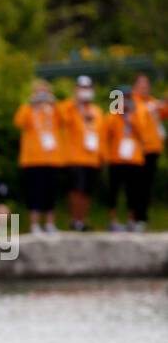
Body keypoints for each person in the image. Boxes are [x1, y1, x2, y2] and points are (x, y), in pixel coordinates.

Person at [13, 81, 64, 233]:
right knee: (34, 192)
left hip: (51, 159)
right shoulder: (27, 110)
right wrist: (32, 105)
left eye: (45, 92)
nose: (42, 96)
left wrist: (54, 103)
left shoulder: (53, 110)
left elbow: (64, 121)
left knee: (51, 192)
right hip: (32, 160)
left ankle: (49, 223)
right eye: (39, 92)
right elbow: (18, 122)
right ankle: (34, 224)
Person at [57, 76, 103, 232]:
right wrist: (76, 102)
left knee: (87, 191)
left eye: (87, 88)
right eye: (82, 88)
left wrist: (102, 155)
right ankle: (74, 220)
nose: (85, 91)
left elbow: (100, 133)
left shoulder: (96, 110)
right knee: (76, 189)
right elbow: (61, 118)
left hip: (92, 158)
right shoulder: (69, 107)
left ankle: (83, 220)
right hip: (75, 158)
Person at [103, 93, 146, 232]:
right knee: (113, 191)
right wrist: (117, 112)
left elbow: (143, 132)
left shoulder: (137, 114)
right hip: (116, 159)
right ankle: (112, 220)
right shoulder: (113, 115)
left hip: (134, 160)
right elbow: (106, 131)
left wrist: (131, 118)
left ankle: (131, 220)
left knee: (133, 192)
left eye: (128, 98)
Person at [130, 75, 164, 232]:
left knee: (146, 185)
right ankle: (133, 218)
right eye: (141, 85)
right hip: (135, 150)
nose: (145, 87)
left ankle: (142, 218)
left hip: (152, 150)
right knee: (135, 185)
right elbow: (114, 112)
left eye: (147, 84)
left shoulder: (153, 102)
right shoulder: (129, 100)